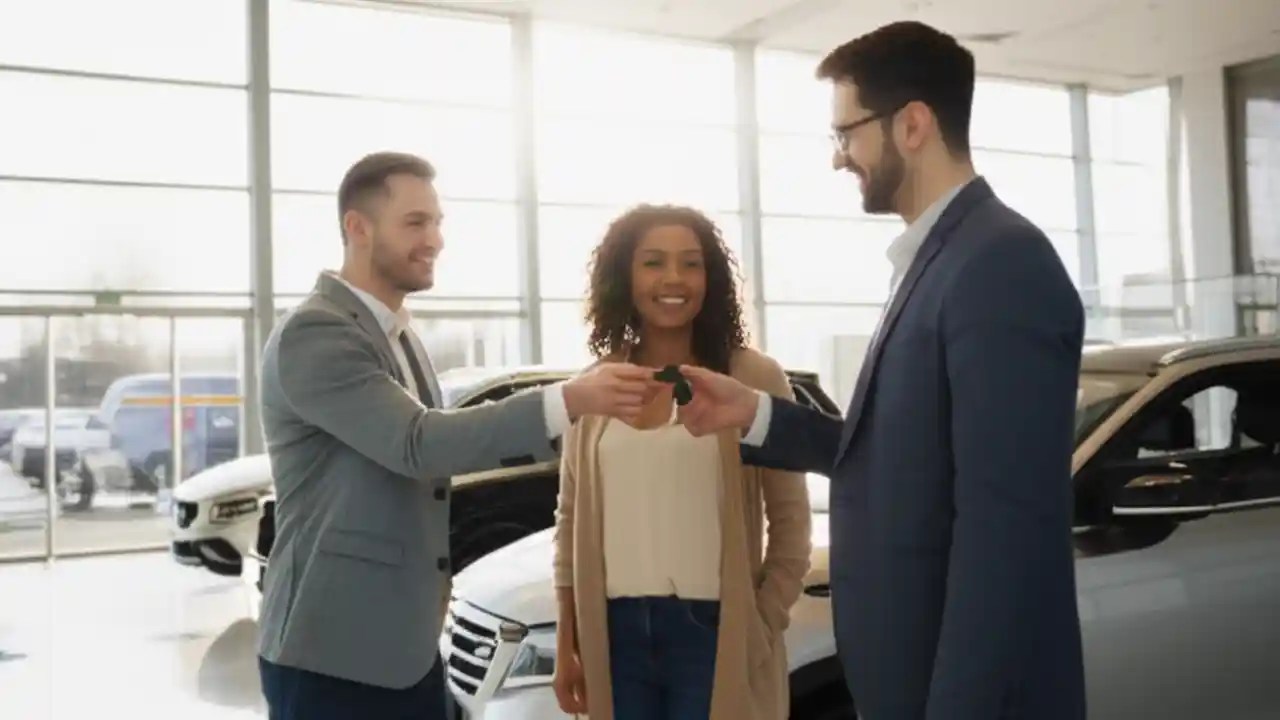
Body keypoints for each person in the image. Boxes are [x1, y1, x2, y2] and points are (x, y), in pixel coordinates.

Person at [676, 22, 1087, 720]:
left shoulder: (1000, 264)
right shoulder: (940, 262)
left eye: (847, 133)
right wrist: (755, 414)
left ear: (914, 124)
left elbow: (1003, 536)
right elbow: (896, 456)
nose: (840, 157)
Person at [255, 151, 658, 720]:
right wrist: (569, 399)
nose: (436, 239)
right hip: (333, 653)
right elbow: (419, 443)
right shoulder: (316, 334)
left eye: (438, 222)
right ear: (357, 228)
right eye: (416, 222)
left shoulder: (400, 334)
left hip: (404, 648)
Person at [550, 204, 812, 720]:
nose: (674, 278)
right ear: (624, 275)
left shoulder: (752, 377)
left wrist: (761, 623)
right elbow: (568, 518)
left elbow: (790, 520)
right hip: (615, 636)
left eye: (691, 263)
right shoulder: (599, 381)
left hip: (713, 634)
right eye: (653, 262)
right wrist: (568, 644)